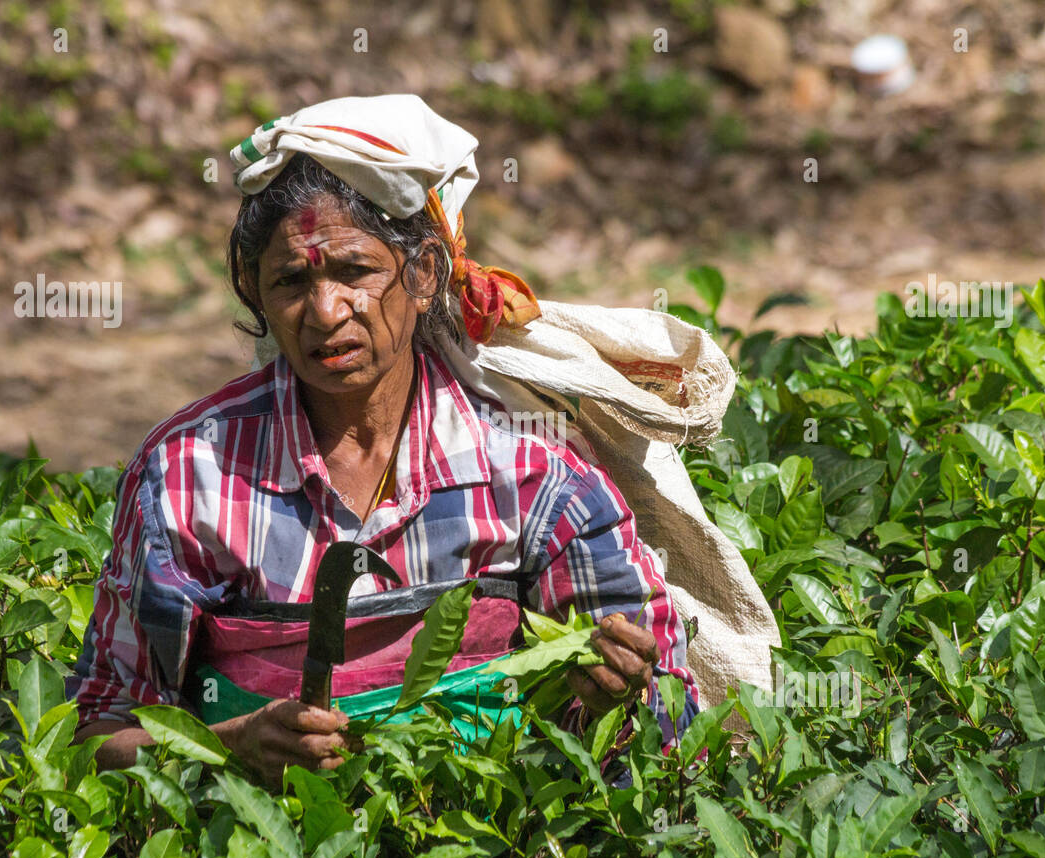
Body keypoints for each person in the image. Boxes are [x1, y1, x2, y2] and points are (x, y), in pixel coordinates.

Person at [67, 94, 697, 788]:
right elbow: (96, 730)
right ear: (254, 291)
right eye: (291, 281)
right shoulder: (189, 475)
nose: (326, 311)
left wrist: (603, 701)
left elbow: (666, 714)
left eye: (355, 272)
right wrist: (227, 750)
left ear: (424, 275)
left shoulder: (531, 470)